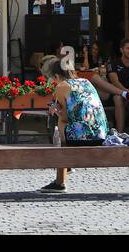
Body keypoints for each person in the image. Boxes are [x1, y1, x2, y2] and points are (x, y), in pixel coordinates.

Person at [39, 50, 109, 194]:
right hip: (101, 133)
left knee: (60, 125)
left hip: (83, 137)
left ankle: (62, 173)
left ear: (57, 76)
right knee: (66, 124)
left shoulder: (62, 86)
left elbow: (65, 118)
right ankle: (62, 176)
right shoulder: (86, 81)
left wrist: (55, 110)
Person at [91, 37, 129, 131]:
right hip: (111, 93)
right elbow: (114, 81)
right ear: (121, 50)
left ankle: (121, 132)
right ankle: (120, 132)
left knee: (119, 97)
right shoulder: (113, 62)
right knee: (95, 79)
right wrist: (125, 92)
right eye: (128, 48)